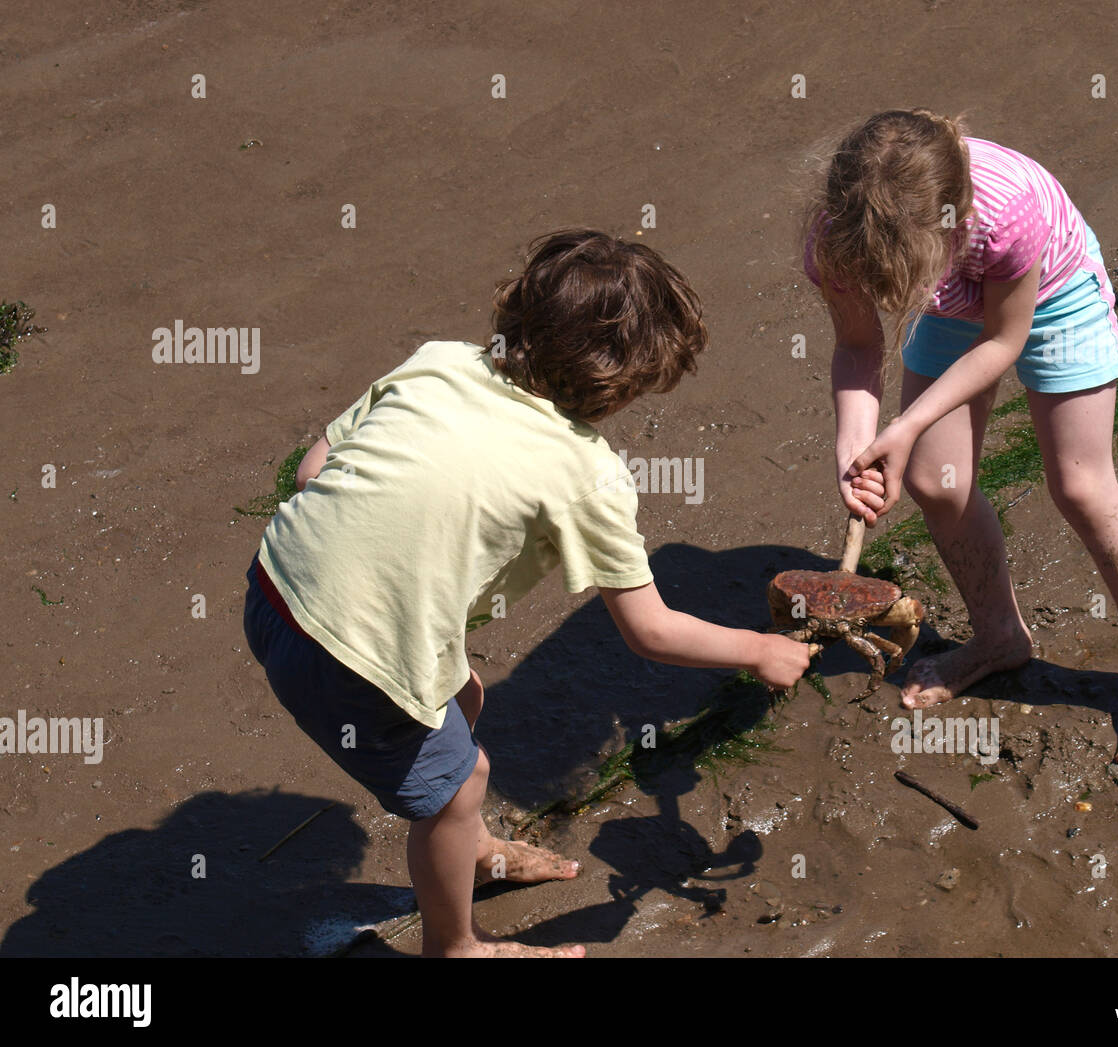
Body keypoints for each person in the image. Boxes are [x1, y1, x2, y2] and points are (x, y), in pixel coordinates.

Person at [242, 229, 811, 957]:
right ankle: (457, 944)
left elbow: (312, 470)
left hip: (271, 588)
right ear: (624, 384)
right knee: (459, 784)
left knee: (466, 694)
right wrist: (759, 649)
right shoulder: (586, 470)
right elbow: (650, 629)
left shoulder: (440, 361)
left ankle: (475, 853)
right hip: (350, 658)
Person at [803, 108, 1118, 765]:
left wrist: (908, 422)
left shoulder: (1006, 212)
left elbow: (1005, 340)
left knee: (1080, 484)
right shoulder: (839, 240)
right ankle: (999, 635)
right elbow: (859, 344)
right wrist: (854, 444)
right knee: (932, 479)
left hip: (1051, 290)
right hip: (949, 298)